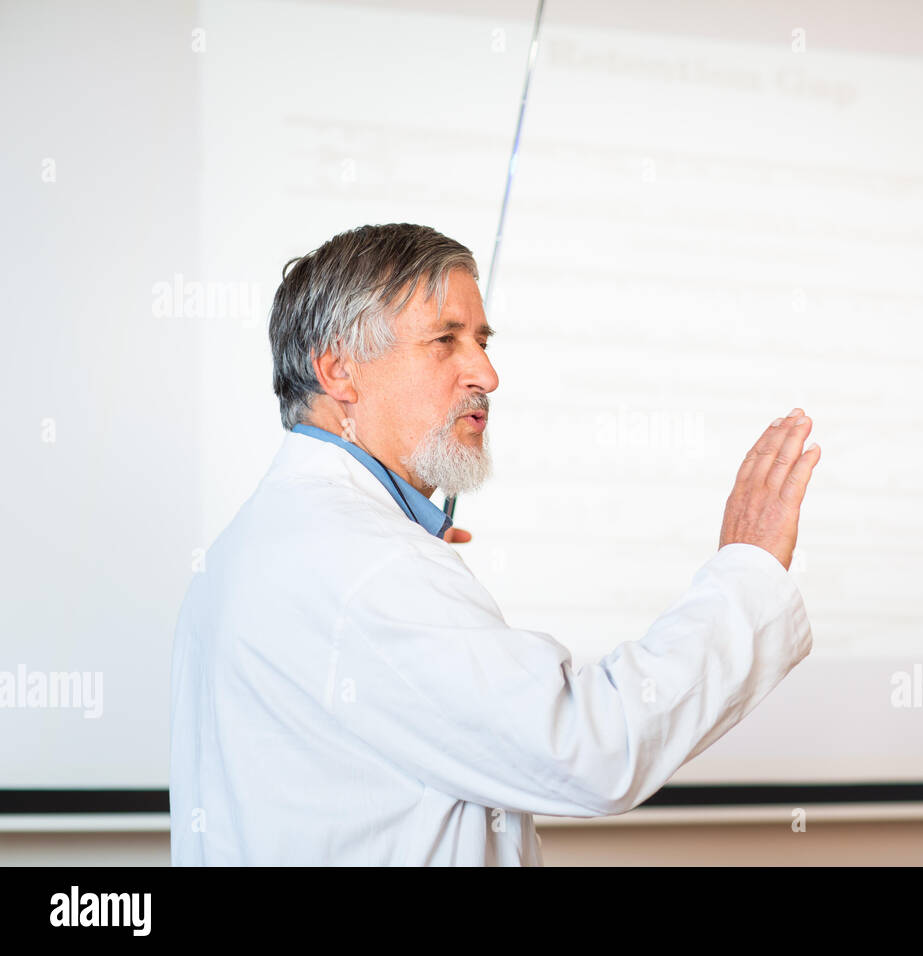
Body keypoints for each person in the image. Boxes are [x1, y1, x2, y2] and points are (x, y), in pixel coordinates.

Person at [169, 222, 821, 865]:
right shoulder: (370, 565)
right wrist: (749, 569)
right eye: (445, 341)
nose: (486, 372)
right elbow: (595, 750)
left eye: (481, 340)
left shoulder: (263, 545)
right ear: (340, 369)